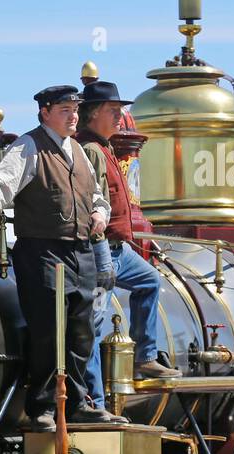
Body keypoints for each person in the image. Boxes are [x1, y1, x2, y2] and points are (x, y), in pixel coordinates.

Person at [0, 85, 127, 430]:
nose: (73, 116)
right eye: (65, 110)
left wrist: (99, 213)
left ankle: (79, 402)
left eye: (75, 110)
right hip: (42, 250)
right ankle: (42, 407)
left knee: (81, 332)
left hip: (81, 250)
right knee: (48, 330)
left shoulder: (79, 152)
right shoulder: (28, 146)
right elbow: (2, 184)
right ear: (46, 113)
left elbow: (97, 195)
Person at [76, 80, 182, 408]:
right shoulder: (91, 151)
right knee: (94, 323)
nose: (119, 117)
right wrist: (101, 254)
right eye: (113, 111)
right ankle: (95, 401)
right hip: (101, 251)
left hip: (120, 250)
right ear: (93, 114)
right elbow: (91, 204)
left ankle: (144, 356)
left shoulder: (103, 147)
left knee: (150, 281)